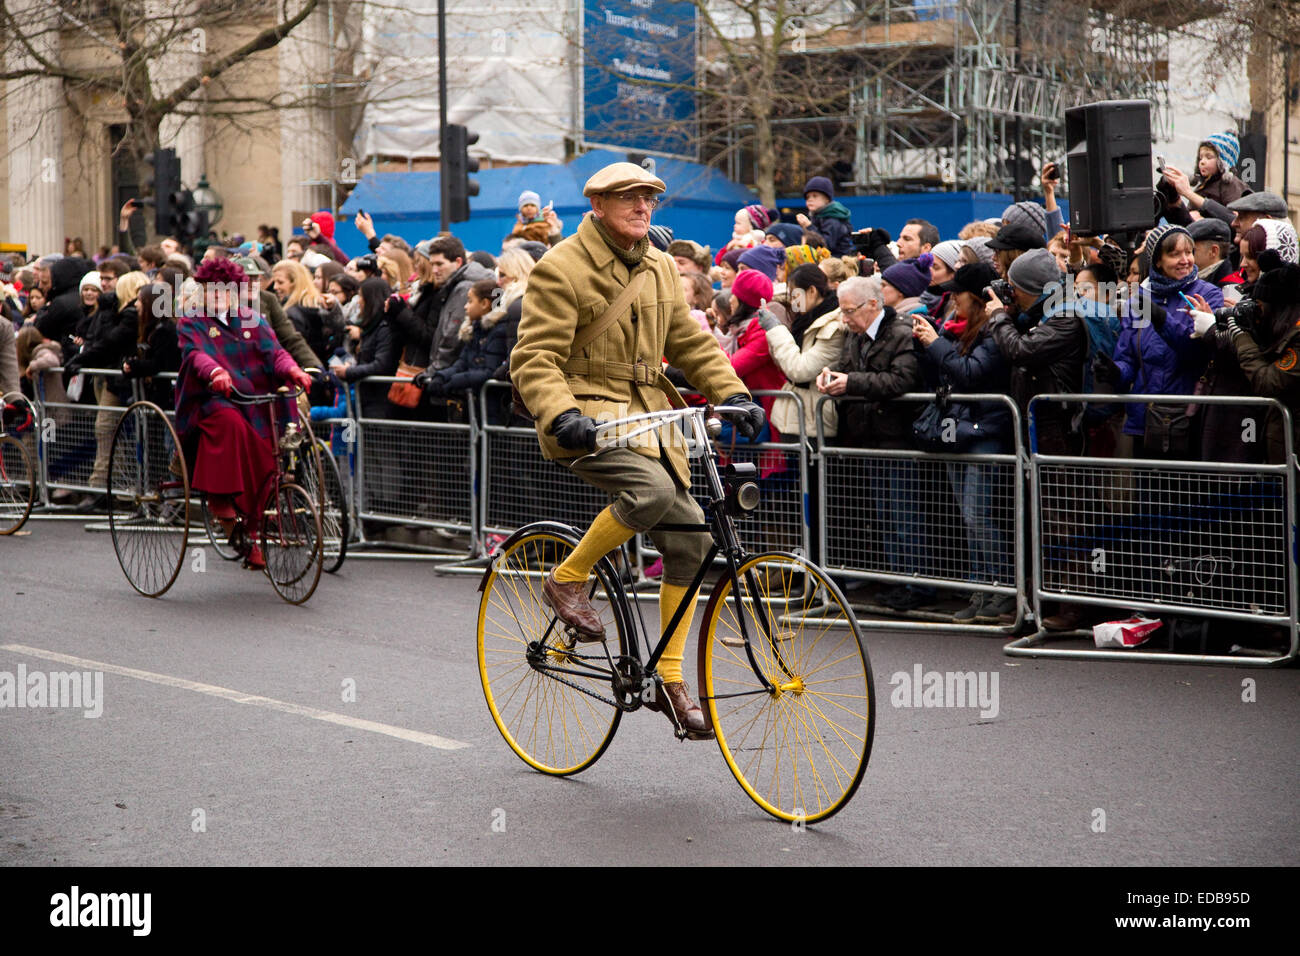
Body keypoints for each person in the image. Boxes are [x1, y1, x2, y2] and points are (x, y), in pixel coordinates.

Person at [510, 161, 761, 740]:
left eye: (649, 198)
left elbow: (688, 339)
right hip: (585, 415)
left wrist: (733, 392)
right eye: (629, 198)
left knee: (692, 539)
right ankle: (568, 578)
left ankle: (670, 682)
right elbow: (534, 358)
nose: (643, 207)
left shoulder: (658, 264)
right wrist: (560, 412)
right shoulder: (561, 267)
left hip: (648, 415)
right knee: (647, 490)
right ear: (597, 206)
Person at [175, 258, 313, 568]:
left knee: (267, 454)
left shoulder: (252, 319)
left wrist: (293, 369)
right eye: (212, 290)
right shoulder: (191, 321)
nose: (219, 295)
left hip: (253, 398)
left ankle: (252, 531)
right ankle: (220, 498)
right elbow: (194, 354)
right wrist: (215, 372)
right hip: (211, 399)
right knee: (230, 424)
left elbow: (274, 352)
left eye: (225, 289)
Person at [817, 272, 929, 611]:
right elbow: (847, 367)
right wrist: (831, 376)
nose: (844, 317)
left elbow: (901, 380)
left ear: (873, 305)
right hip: (868, 437)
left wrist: (850, 382)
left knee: (905, 515)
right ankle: (897, 581)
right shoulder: (858, 334)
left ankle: (917, 585)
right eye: (842, 310)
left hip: (896, 437)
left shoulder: (900, 332)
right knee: (885, 515)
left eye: (849, 310)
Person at [912, 262, 1015, 621]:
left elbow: (971, 375)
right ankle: (981, 590)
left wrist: (936, 344)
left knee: (978, 516)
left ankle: (1001, 590)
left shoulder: (993, 331)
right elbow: (944, 375)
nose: (952, 298)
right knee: (969, 517)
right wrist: (925, 345)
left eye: (957, 293)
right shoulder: (961, 328)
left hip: (985, 431)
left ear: (978, 297)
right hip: (961, 430)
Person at [796, 177, 854, 256]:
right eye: (807, 197)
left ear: (827, 199)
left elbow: (827, 244)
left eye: (815, 196)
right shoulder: (818, 216)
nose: (810, 199)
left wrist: (809, 226)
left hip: (837, 262)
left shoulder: (833, 218)